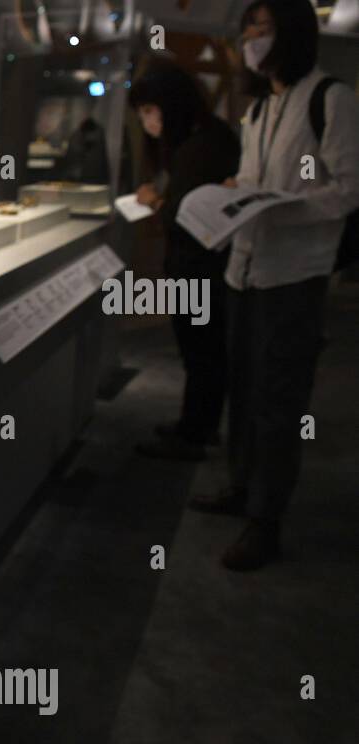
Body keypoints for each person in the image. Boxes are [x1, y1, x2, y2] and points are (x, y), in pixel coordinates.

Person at [190, 0, 359, 570]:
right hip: (245, 270)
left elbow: (346, 188)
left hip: (294, 275)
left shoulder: (330, 98)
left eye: (261, 28)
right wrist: (236, 191)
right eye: (247, 29)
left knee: (279, 402)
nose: (251, 38)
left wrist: (281, 206)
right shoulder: (260, 110)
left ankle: (267, 518)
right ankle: (242, 487)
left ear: (290, 31)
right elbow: (254, 180)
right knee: (244, 390)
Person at [129, 64, 241, 460]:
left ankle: (194, 434)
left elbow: (186, 214)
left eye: (148, 110)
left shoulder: (199, 145)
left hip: (200, 268)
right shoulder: (206, 137)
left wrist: (154, 203)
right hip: (203, 266)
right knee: (202, 354)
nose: (146, 121)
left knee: (202, 355)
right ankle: (196, 427)